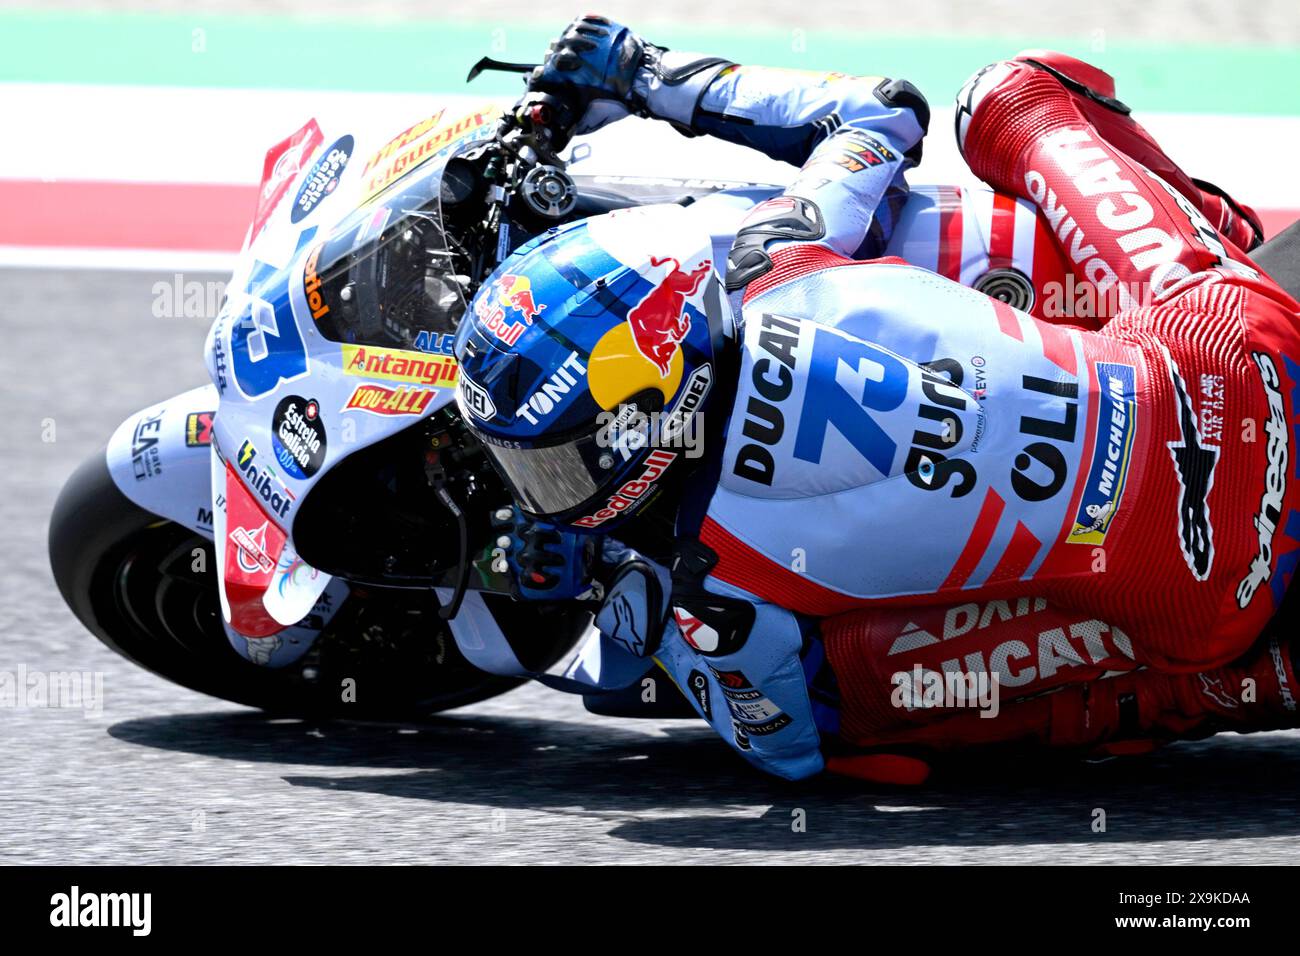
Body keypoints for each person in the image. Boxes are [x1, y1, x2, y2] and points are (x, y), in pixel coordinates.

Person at [453, 16, 1300, 781]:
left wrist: (639, 610)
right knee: (1009, 96)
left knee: (854, 705)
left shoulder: (709, 586)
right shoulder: (771, 258)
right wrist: (649, 75)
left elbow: (783, 747)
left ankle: (1235, 686)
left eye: (555, 466)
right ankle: (1217, 235)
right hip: (1236, 354)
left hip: (1200, 587)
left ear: (644, 415)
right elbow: (883, 111)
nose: (546, 496)